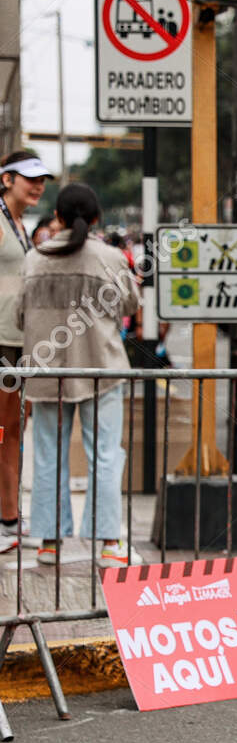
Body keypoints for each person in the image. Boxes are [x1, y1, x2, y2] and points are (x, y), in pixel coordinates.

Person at [17, 183, 139, 567]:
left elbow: (19, 315)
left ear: (58, 216)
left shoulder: (34, 259)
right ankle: (108, 544)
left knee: (48, 455)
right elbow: (130, 305)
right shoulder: (110, 258)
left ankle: (50, 542)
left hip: (46, 373)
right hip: (101, 370)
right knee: (105, 454)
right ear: (97, 217)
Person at [0, 151, 54, 552]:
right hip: (2, 339)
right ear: (6, 180)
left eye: (42, 180)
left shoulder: (21, 224)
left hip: (23, 340)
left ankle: (9, 516)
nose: (38, 186)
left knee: (14, 429)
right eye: (29, 178)